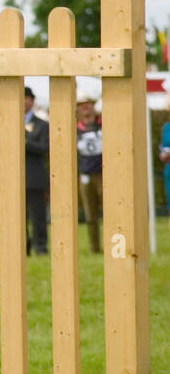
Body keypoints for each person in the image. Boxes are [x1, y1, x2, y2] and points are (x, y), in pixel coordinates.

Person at [23, 87, 50, 256]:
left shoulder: (42, 124)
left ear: (32, 101)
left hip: (35, 177)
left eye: (27, 98)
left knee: (38, 216)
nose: (24, 101)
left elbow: (44, 148)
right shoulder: (7, 123)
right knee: (17, 218)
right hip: (14, 178)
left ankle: (40, 247)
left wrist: (25, 143)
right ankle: (21, 247)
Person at [76, 93, 103, 254]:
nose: (85, 107)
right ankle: (95, 248)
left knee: (111, 212)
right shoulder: (76, 128)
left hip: (103, 173)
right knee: (90, 215)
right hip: (85, 174)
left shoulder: (102, 123)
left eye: (88, 103)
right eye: (82, 104)